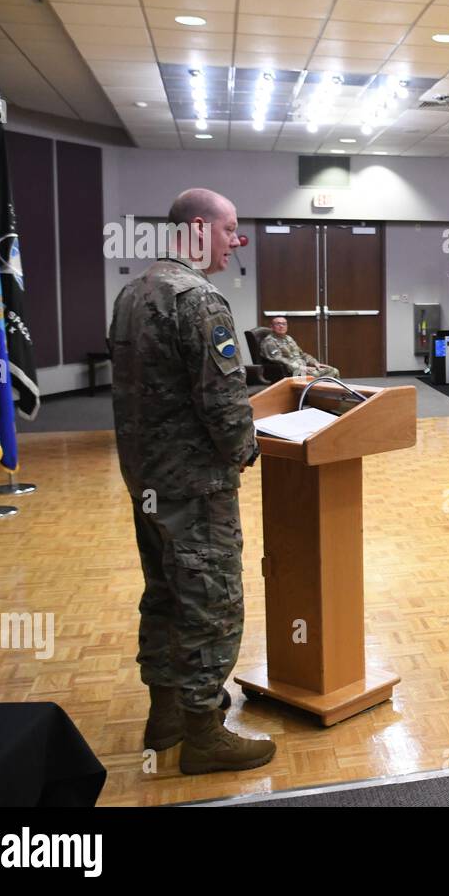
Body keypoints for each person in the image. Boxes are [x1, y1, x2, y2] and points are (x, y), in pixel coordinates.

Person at [109, 187, 274, 774]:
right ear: (200, 228)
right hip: (195, 489)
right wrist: (247, 451)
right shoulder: (200, 300)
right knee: (211, 604)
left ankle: (167, 716)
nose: (237, 242)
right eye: (231, 230)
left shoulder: (133, 291)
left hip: (147, 482)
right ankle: (205, 733)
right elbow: (224, 402)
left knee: (162, 598)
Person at [260, 316, 339, 379]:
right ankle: (315, 394)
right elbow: (280, 360)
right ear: (272, 327)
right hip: (292, 372)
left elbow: (302, 354)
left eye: (284, 324)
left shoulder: (288, 338)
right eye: (278, 324)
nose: (281, 326)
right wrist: (301, 368)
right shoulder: (269, 342)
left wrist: (315, 363)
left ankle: (326, 396)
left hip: (303, 369)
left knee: (333, 370)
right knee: (332, 372)